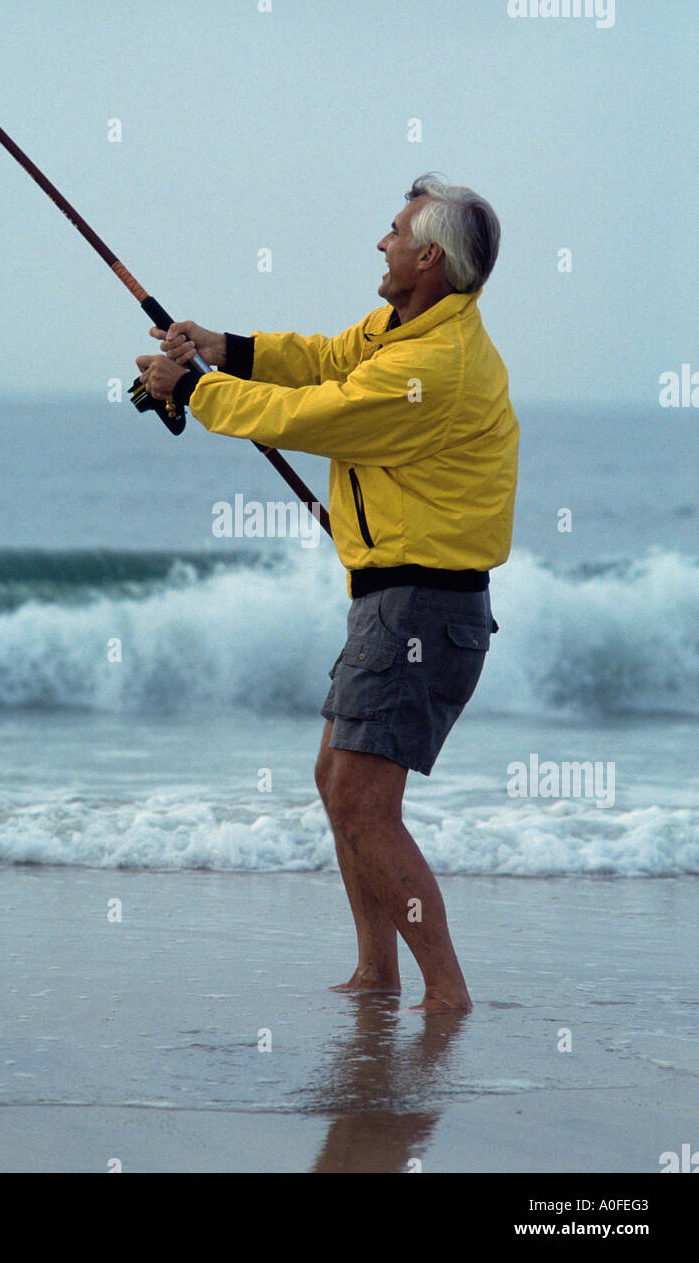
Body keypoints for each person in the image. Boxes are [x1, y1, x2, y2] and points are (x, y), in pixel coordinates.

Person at [135, 173, 519, 1012]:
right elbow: (321, 359)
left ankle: (445, 992)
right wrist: (221, 345)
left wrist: (193, 387)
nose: (377, 244)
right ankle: (377, 973)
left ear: (427, 257)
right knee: (338, 784)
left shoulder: (432, 366)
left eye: (390, 232)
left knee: (360, 800)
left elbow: (313, 414)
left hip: (421, 606)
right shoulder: (404, 328)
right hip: (393, 599)